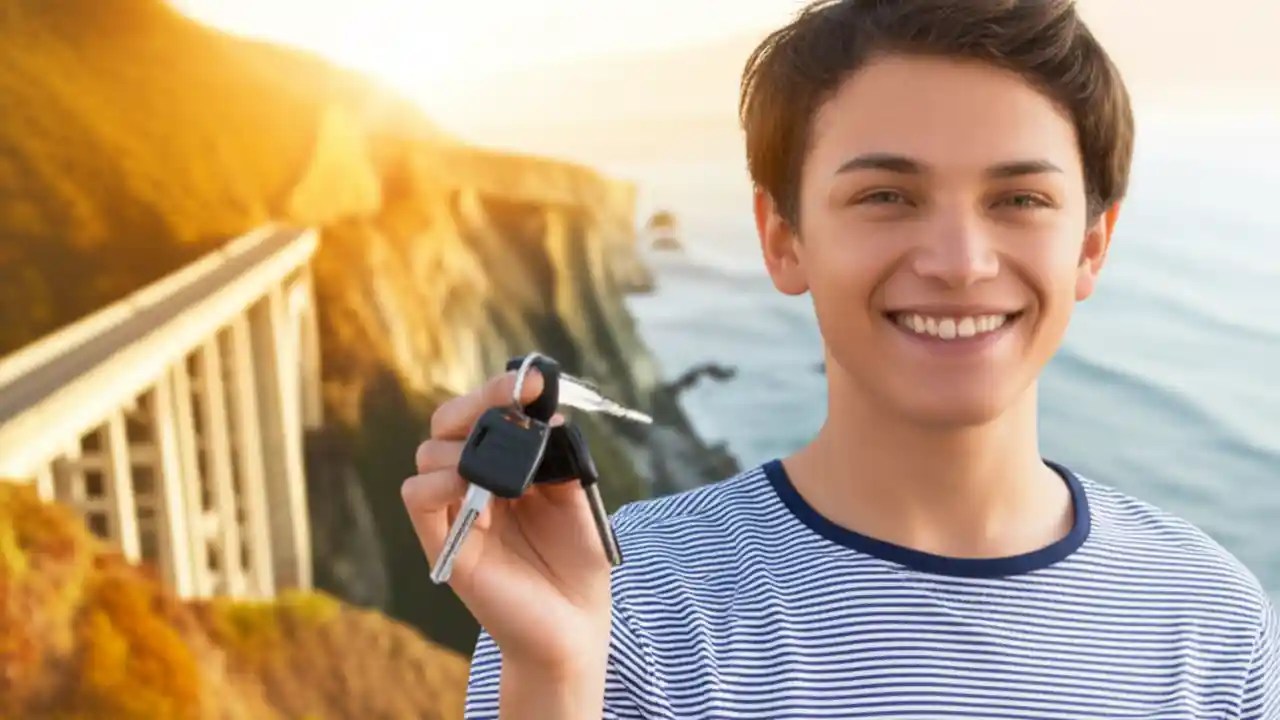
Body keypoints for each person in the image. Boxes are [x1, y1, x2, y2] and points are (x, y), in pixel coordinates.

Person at [402, 0, 1280, 717]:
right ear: (782, 238)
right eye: (887, 195)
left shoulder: (1212, 619)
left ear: (1092, 245)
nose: (960, 262)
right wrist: (555, 678)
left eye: (1020, 199)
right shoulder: (612, 602)